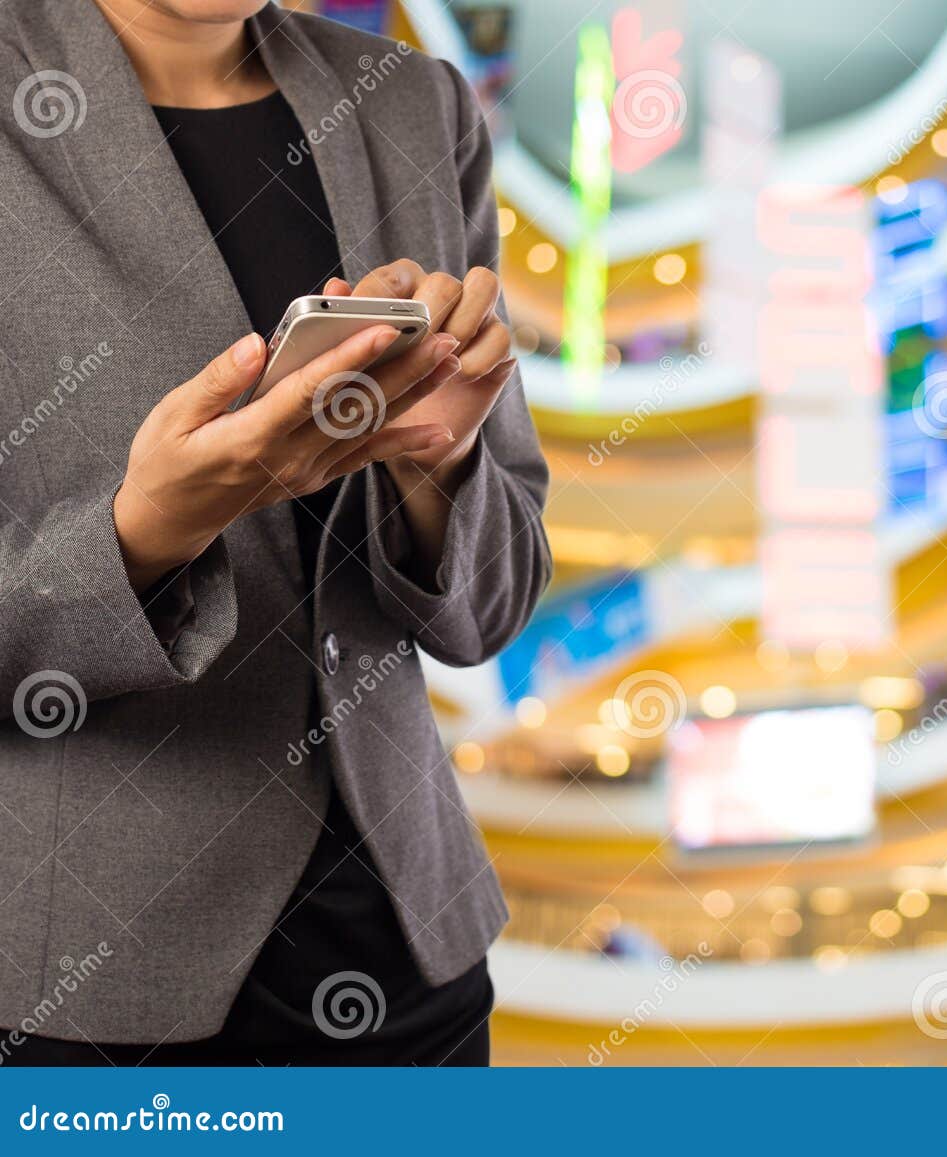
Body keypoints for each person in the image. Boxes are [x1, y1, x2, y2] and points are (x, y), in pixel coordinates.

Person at [0, 0, 551, 1064]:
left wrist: (434, 465)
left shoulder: (415, 104)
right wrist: (148, 531)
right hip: (88, 991)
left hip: (406, 953)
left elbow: (493, 605)